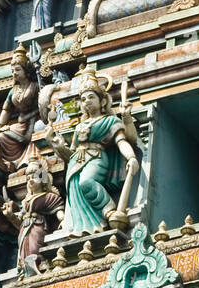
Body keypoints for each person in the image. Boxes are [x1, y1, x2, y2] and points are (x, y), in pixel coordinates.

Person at [43, 67, 139, 233]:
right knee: (77, 189)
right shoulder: (80, 126)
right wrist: (56, 145)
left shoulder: (109, 121)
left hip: (97, 157)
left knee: (87, 182)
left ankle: (109, 211)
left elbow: (122, 140)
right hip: (75, 163)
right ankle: (83, 227)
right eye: (83, 98)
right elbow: (71, 153)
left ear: (102, 101)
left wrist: (131, 157)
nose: (87, 101)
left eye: (91, 97)